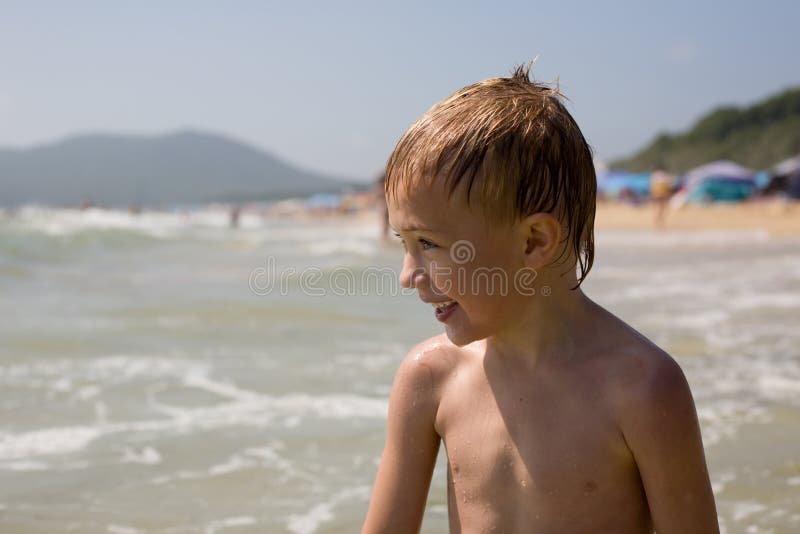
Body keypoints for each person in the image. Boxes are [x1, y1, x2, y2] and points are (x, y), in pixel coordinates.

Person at [362, 65, 718, 533]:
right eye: (403, 245)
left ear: (532, 242)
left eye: (427, 244)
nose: (409, 276)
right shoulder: (429, 379)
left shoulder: (640, 388)